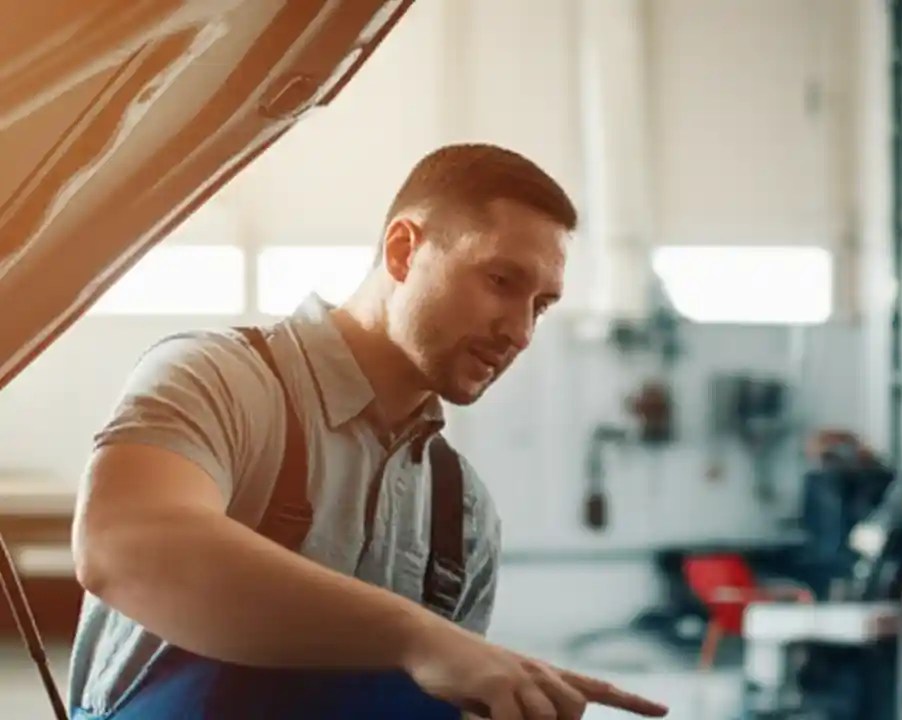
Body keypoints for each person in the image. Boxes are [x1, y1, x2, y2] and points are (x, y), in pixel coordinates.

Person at [66, 143, 669, 720]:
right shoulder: (219, 380)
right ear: (404, 250)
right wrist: (416, 636)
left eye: (540, 305)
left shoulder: (464, 513)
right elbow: (124, 547)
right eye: (502, 282)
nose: (520, 332)